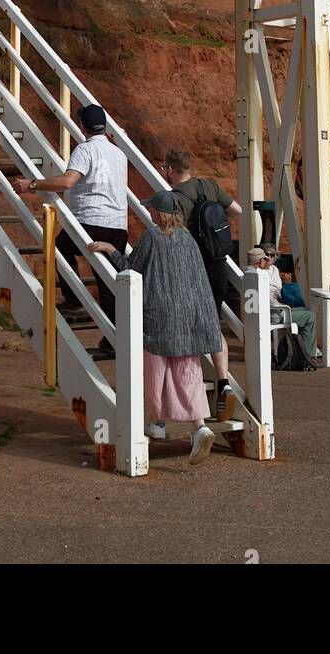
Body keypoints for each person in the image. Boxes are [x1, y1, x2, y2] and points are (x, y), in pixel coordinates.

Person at [89, 187, 221, 464]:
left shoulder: (151, 238)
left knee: (156, 369)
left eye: (151, 209)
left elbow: (130, 268)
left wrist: (111, 249)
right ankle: (200, 426)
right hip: (189, 315)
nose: (148, 212)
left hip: (160, 314)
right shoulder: (189, 240)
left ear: (158, 213)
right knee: (188, 370)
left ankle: (157, 422)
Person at [16, 104, 126, 360]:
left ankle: (74, 301)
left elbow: (67, 182)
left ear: (82, 127)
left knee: (60, 248)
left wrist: (32, 184)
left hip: (91, 220)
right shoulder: (118, 153)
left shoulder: (85, 149)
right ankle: (115, 339)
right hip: (118, 225)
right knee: (108, 283)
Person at [159, 147, 241, 420]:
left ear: (170, 169)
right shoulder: (210, 186)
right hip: (218, 266)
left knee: (190, 329)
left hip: (195, 271)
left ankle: (192, 407)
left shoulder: (174, 199)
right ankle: (223, 383)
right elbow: (236, 210)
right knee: (213, 324)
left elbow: (173, 237)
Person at [248, 245, 319, 362]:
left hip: (274, 309)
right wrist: (275, 293)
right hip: (274, 313)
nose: (269, 259)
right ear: (260, 261)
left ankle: (300, 351)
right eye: (265, 257)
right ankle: (307, 355)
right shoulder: (259, 275)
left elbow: (276, 290)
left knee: (305, 311)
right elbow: (270, 296)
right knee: (309, 316)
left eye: (271, 255)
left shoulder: (257, 272)